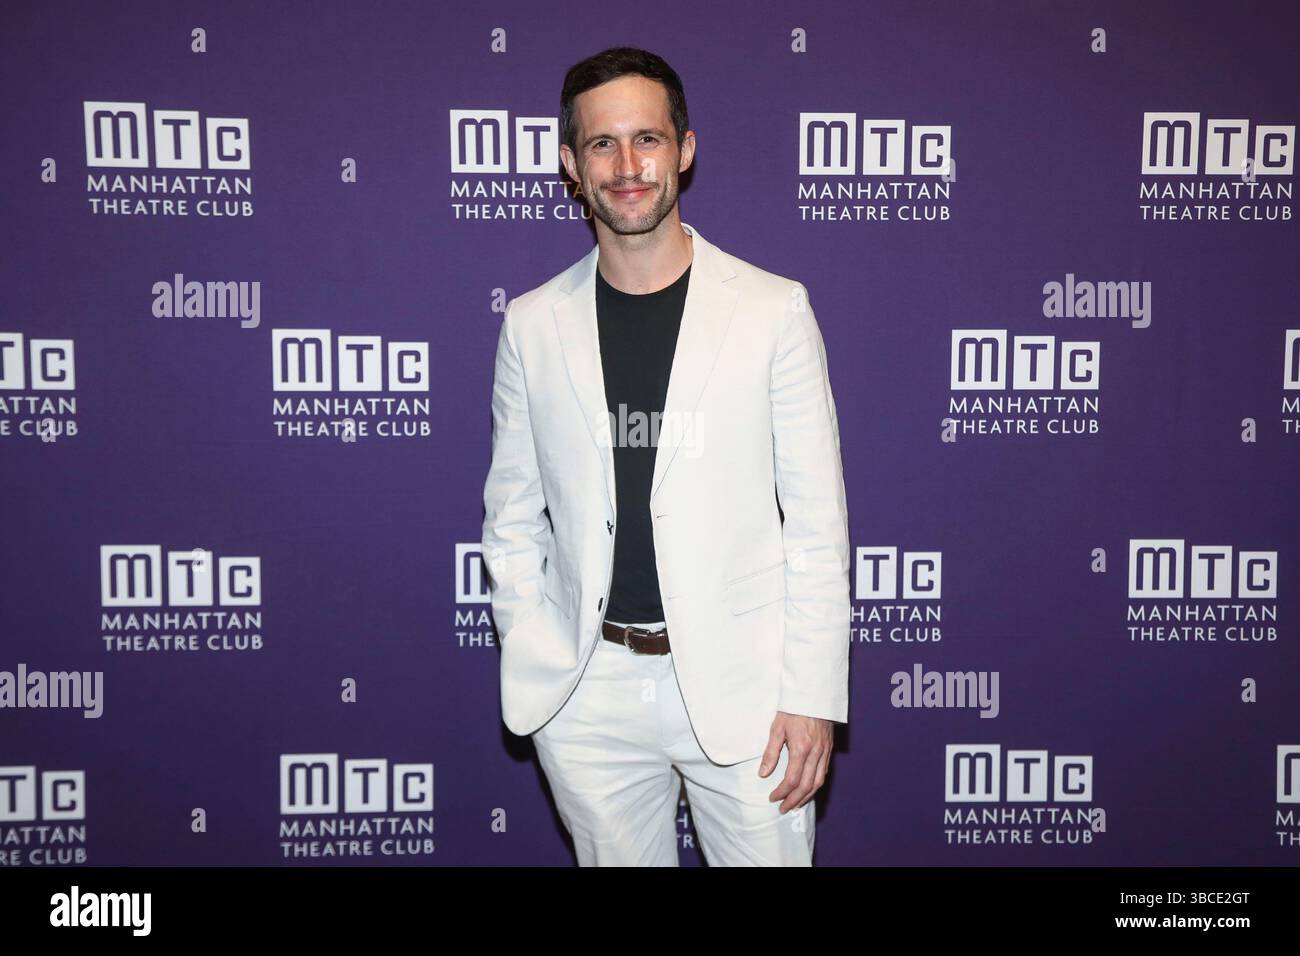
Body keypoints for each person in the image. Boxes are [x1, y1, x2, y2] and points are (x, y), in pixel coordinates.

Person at [481, 47, 851, 866]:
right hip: (588, 695)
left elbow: (818, 524)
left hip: (748, 692)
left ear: (684, 148)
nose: (627, 165)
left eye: (646, 138)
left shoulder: (771, 310)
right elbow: (511, 517)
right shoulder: (533, 326)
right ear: (571, 166)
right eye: (602, 145)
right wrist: (536, 651)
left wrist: (811, 695)